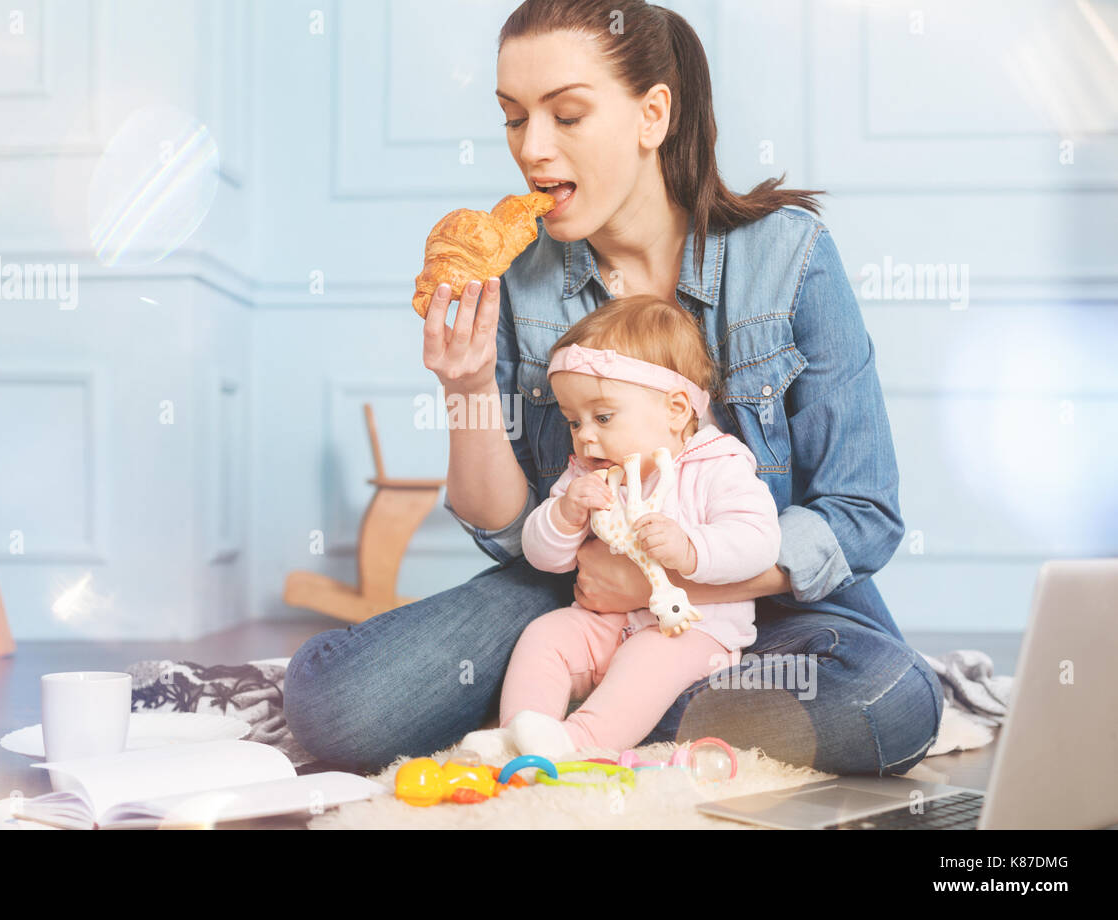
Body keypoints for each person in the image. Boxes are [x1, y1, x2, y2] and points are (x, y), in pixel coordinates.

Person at [284, 0, 943, 777]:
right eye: (513, 117)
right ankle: (609, 718)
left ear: (652, 115)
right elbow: (506, 530)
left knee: (889, 699)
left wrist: (671, 576)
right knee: (337, 704)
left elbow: (862, 513)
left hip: (772, 615)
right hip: (582, 600)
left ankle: (564, 723)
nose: (532, 149)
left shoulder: (790, 258)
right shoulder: (515, 284)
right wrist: (464, 388)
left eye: (566, 115)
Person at [458, 295, 781, 762]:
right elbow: (543, 555)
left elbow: (759, 540)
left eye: (602, 417)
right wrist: (564, 515)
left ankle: (577, 743)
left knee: (644, 665)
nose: (585, 435)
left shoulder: (719, 464)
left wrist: (691, 549)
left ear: (675, 410)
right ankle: (519, 736)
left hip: (690, 631)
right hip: (606, 619)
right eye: (573, 421)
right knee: (546, 637)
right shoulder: (588, 476)